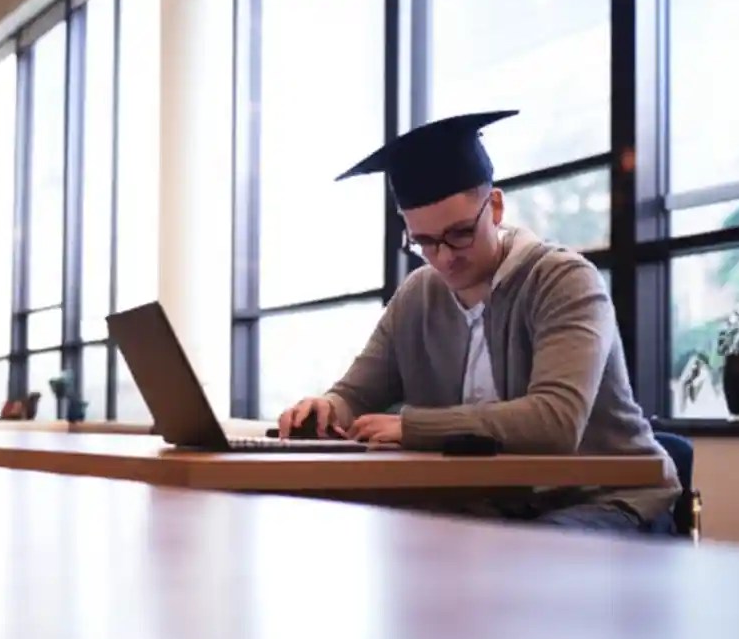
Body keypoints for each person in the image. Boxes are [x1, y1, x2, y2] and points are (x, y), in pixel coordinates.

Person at [277, 110, 680, 532]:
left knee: (522, 562)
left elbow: (555, 421)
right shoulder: (418, 296)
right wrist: (327, 409)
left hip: (607, 497)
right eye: (425, 242)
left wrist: (412, 427)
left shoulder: (564, 280)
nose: (445, 257)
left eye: (460, 233)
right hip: (494, 506)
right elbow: (356, 394)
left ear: (497, 207)